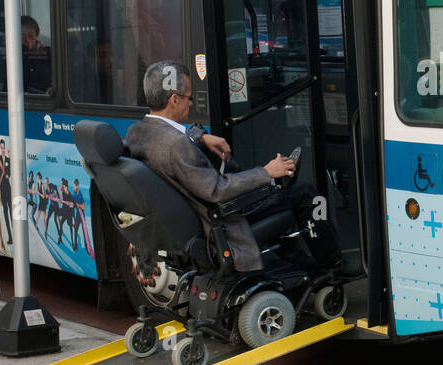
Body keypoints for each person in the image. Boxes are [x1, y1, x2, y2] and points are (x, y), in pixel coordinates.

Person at [124, 60, 355, 275]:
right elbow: (216, 190)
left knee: (277, 194)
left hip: (198, 214)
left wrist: (200, 136)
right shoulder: (176, 146)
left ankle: (298, 262)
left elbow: (173, 133)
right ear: (174, 100)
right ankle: (333, 264)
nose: (190, 104)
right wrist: (267, 172)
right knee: (306, 195)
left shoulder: (138, 132)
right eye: (189, 99)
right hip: (222, 222)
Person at [21, 15, 53, 95]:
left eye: (31, 36)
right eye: (23, 37)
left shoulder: (49, 54)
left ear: (37, 35)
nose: (27, 40)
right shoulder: (14, 58)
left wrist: (53, 87)